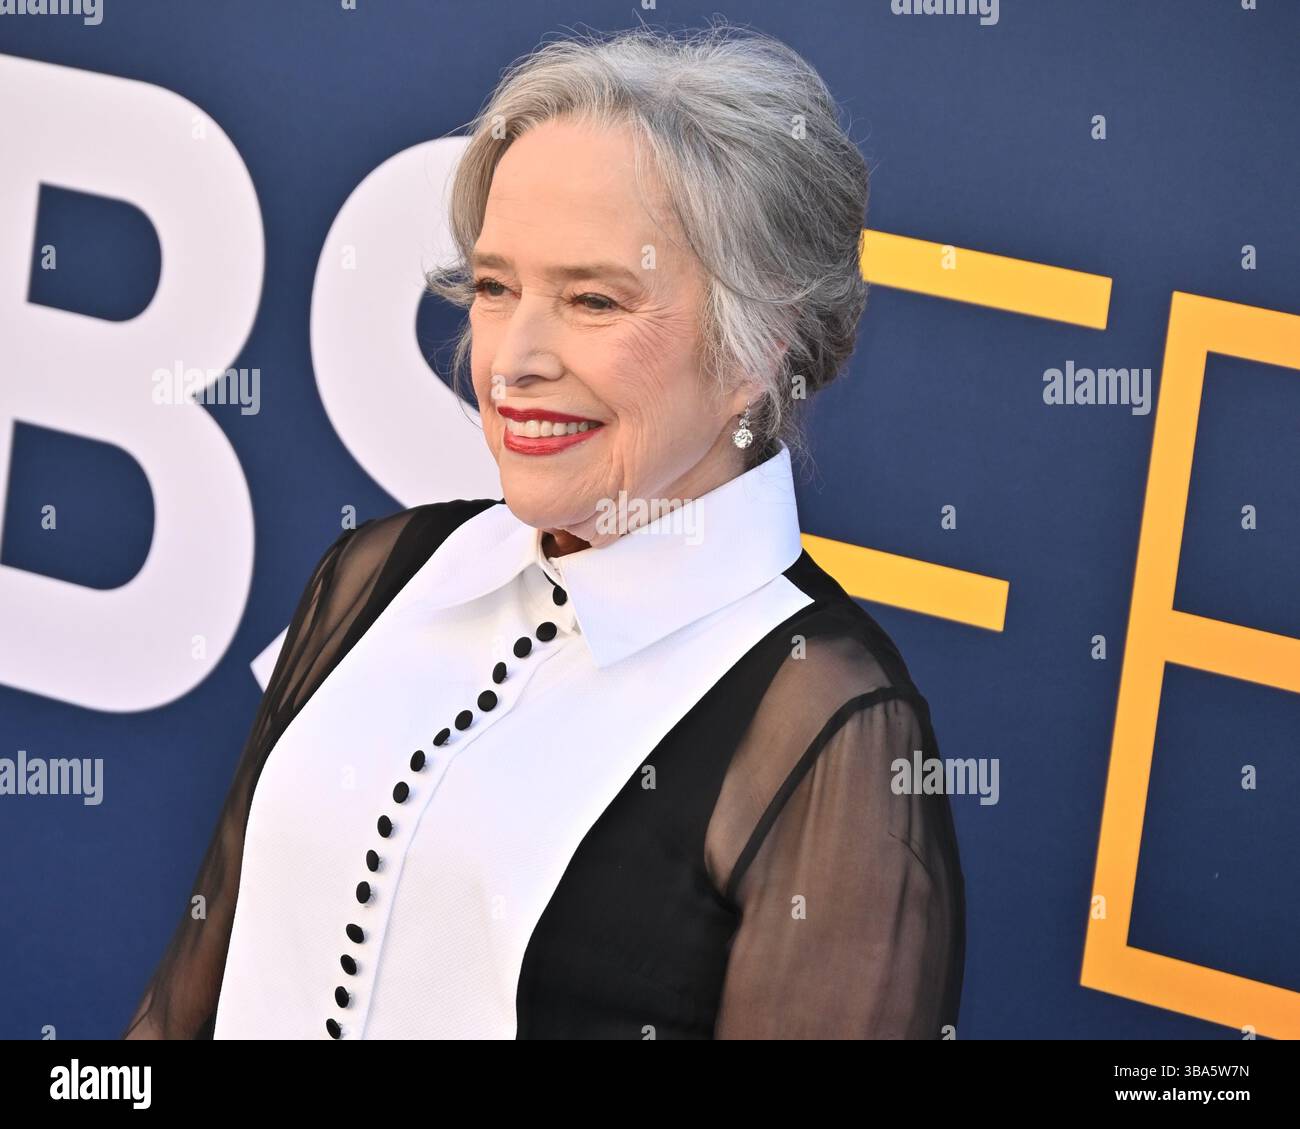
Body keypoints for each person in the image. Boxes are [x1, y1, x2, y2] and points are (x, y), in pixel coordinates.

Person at [123, 21, 964, 1040]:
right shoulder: (374, 574)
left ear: (756, 347)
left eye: (594, 299)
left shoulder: (827, 719)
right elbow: (179, 1014)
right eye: (492, 287)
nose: (511, 358)